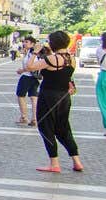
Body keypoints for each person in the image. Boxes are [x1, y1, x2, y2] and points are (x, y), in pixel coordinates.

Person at [26, 31, 84, 174]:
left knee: (46, 129)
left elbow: (30, 67)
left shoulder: (52, 59)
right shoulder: (72, 59)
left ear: (53, 43)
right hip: (64, 97)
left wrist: (35, 53)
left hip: (49, 96)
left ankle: (54, 163)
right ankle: (76, 161)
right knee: (64, 129)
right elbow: (67, 77)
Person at [14, 35, 40, 126]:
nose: (24, 43)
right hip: (34, 78)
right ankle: (34, 119)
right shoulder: (30, 52)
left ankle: (24, 117)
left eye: (26, 42)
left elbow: (32, 66)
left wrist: (22, 70)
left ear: (32, 44)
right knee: (34, 97)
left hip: (27, 77)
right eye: (24, 41)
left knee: (21, 96)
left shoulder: (32, 53)